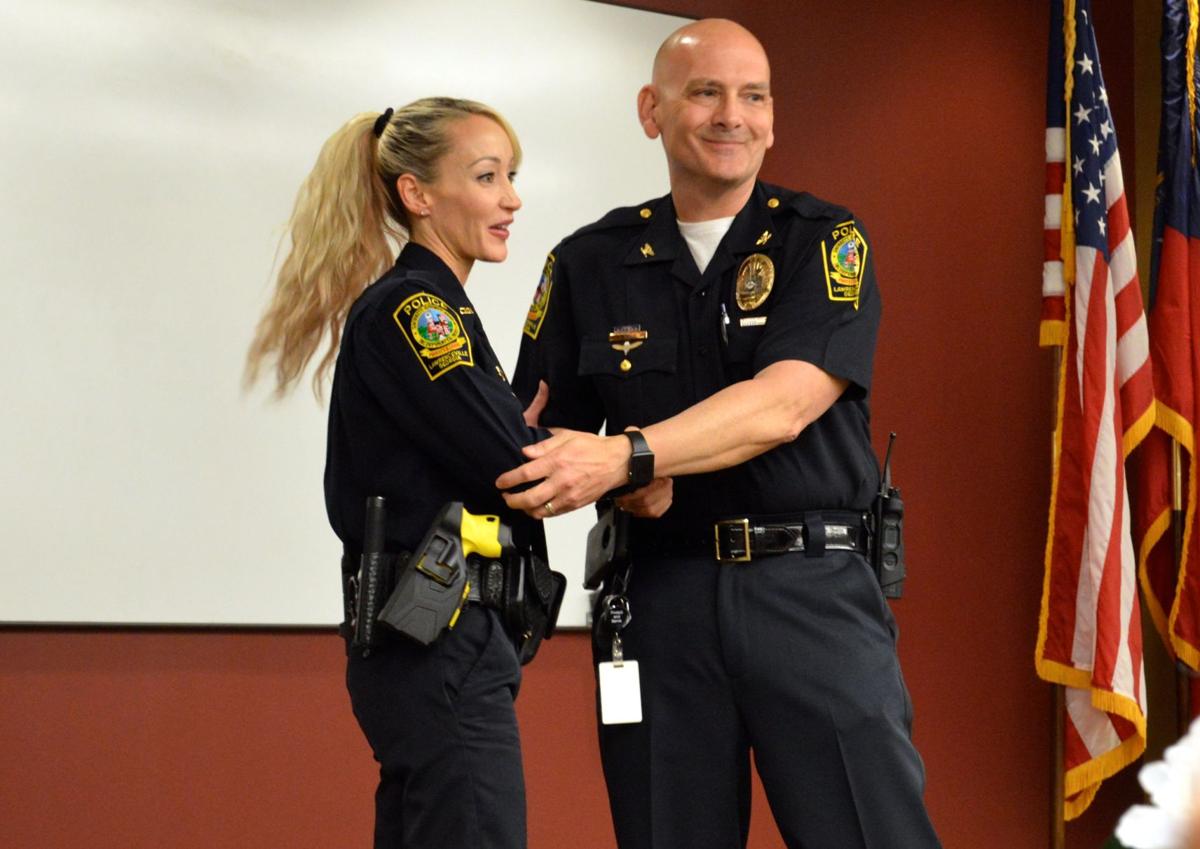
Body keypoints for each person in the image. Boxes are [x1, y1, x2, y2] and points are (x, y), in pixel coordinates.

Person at [498, 19, 942, 849]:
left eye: (752, 96)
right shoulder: (587, 261)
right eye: (705, 92)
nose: (730, 115)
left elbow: (783, 403)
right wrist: (621, 476)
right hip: (658, 597)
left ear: (773, 118)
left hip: (809, 589)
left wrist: (634, 452)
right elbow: (543, 431)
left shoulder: (824, 240)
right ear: (651, 110)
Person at [245, 97, 554, 849]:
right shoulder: (419, 309)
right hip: (442, 635)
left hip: (432, 638)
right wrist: (548, 440)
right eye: (487, 176)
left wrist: (519, 431)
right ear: (417, 195)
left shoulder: (429, 307)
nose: (511, 197)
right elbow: (515, 462)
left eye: (511, 175)